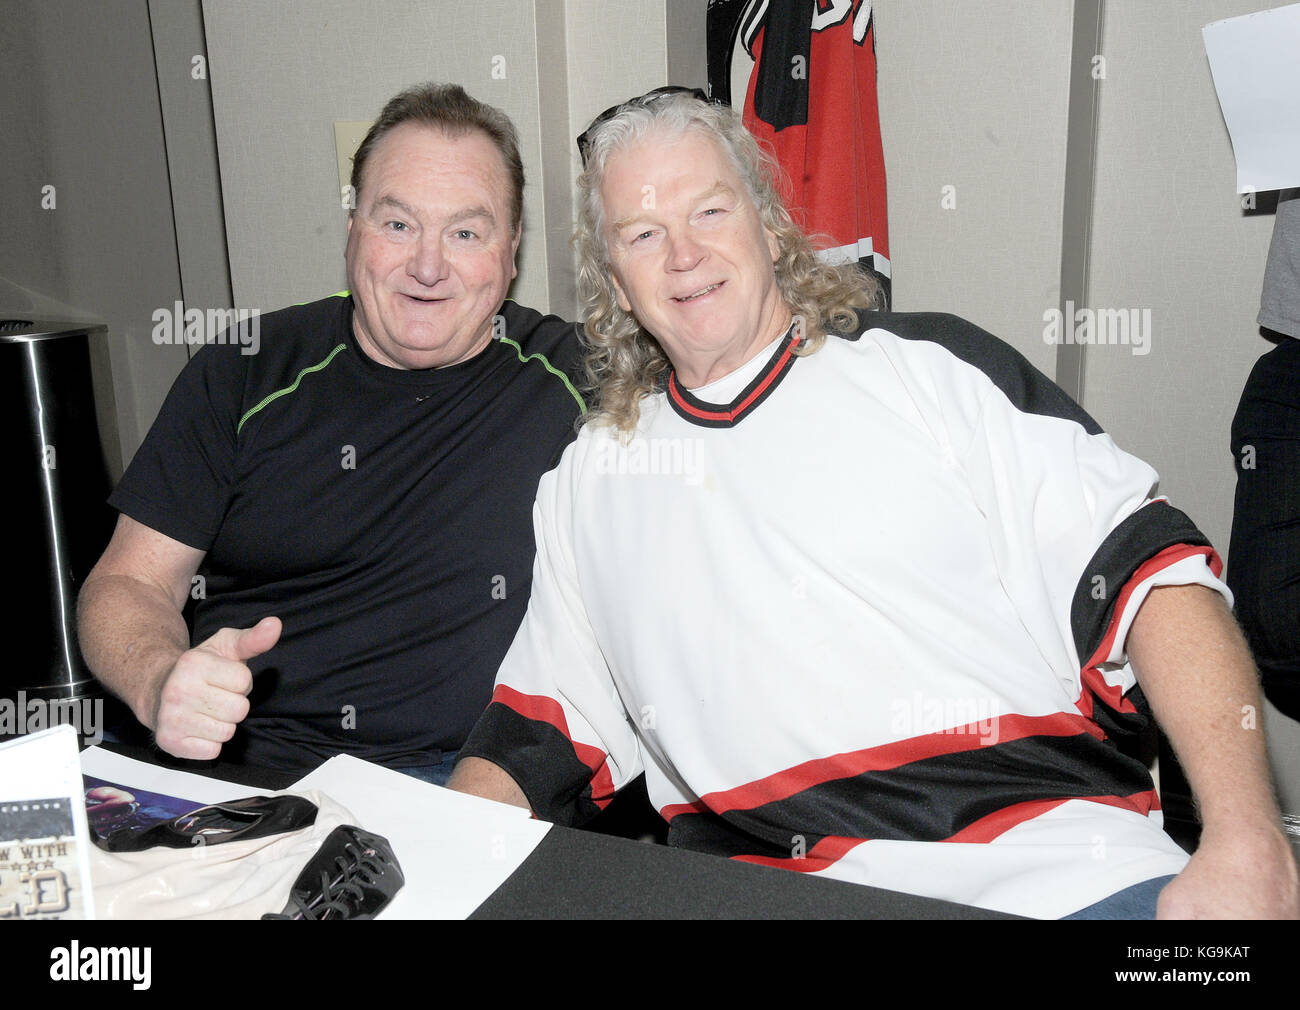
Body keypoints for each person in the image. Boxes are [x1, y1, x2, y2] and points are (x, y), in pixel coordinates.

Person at [449, 89, 1300, 918]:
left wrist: (1247, 837)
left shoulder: (932, 371)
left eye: (709, 212)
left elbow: (1155, 587)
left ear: (768, 226)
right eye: (643, 233)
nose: (683, 255)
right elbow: (538, 736)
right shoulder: (589, 485)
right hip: (757, 895)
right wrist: (418, 863)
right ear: (616, 284)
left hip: (1052, 874)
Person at [77, 83, 584, 784]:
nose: (428, 267)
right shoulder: (246, 369)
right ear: (352, 227)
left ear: (512, 247)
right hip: (226, 765)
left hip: (442, 783)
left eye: (466, 232)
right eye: (397, 224)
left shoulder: (574, 380)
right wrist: (160, 679)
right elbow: (128, 582)